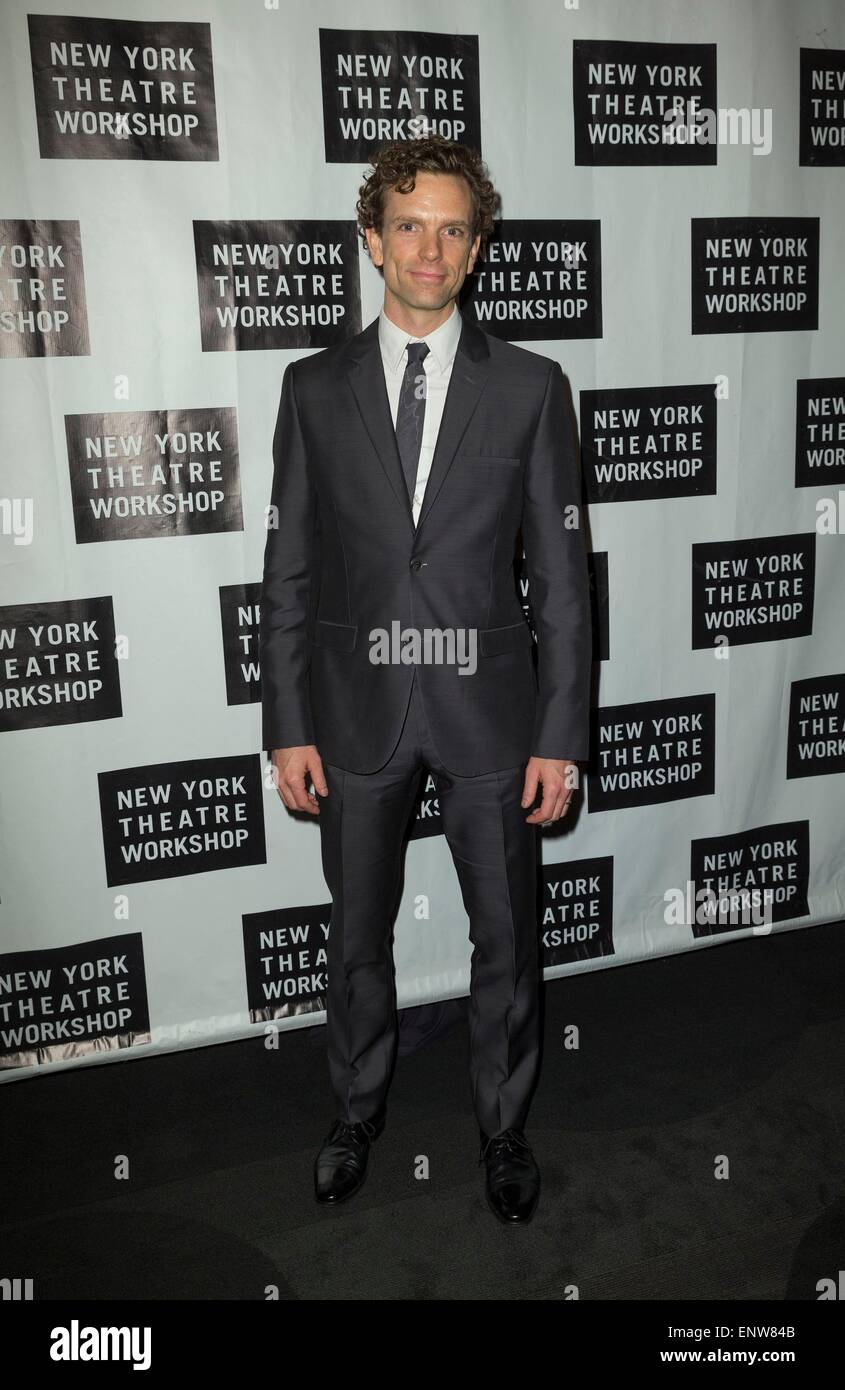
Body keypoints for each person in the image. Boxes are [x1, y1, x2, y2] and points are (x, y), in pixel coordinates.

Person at [259, 133, 592, 1224]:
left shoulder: (535, 388)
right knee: (354, 933)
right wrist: (287, 722)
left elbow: (559, 579)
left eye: (452, 227)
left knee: (506, 933)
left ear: (477, 244)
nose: (429, 247)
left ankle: (503, 1127)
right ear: (371, 239)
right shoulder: (311, 389)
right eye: (408, 224)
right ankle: (355, 1111)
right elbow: (291, 569)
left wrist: (559, 732)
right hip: (354, 713)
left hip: (491, 713)